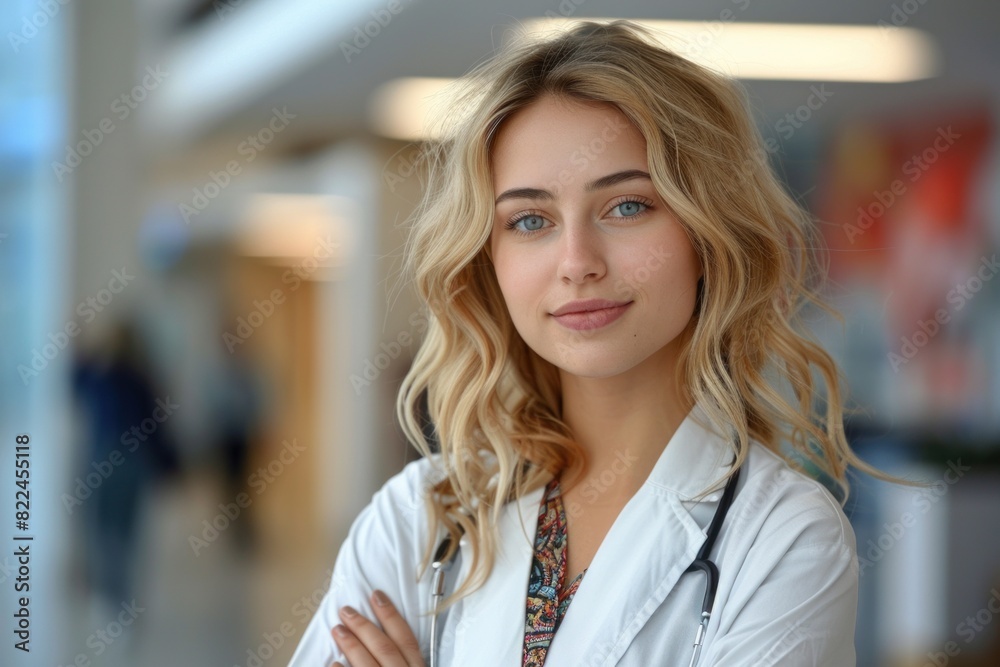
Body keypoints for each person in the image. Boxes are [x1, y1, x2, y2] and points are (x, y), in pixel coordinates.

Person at [289, 20, 918, 666]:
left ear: (706, 234)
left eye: (626, 206)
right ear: (490, 259)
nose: (577, 261)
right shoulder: (417, 520)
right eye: (530, 220)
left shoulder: (784, 540)